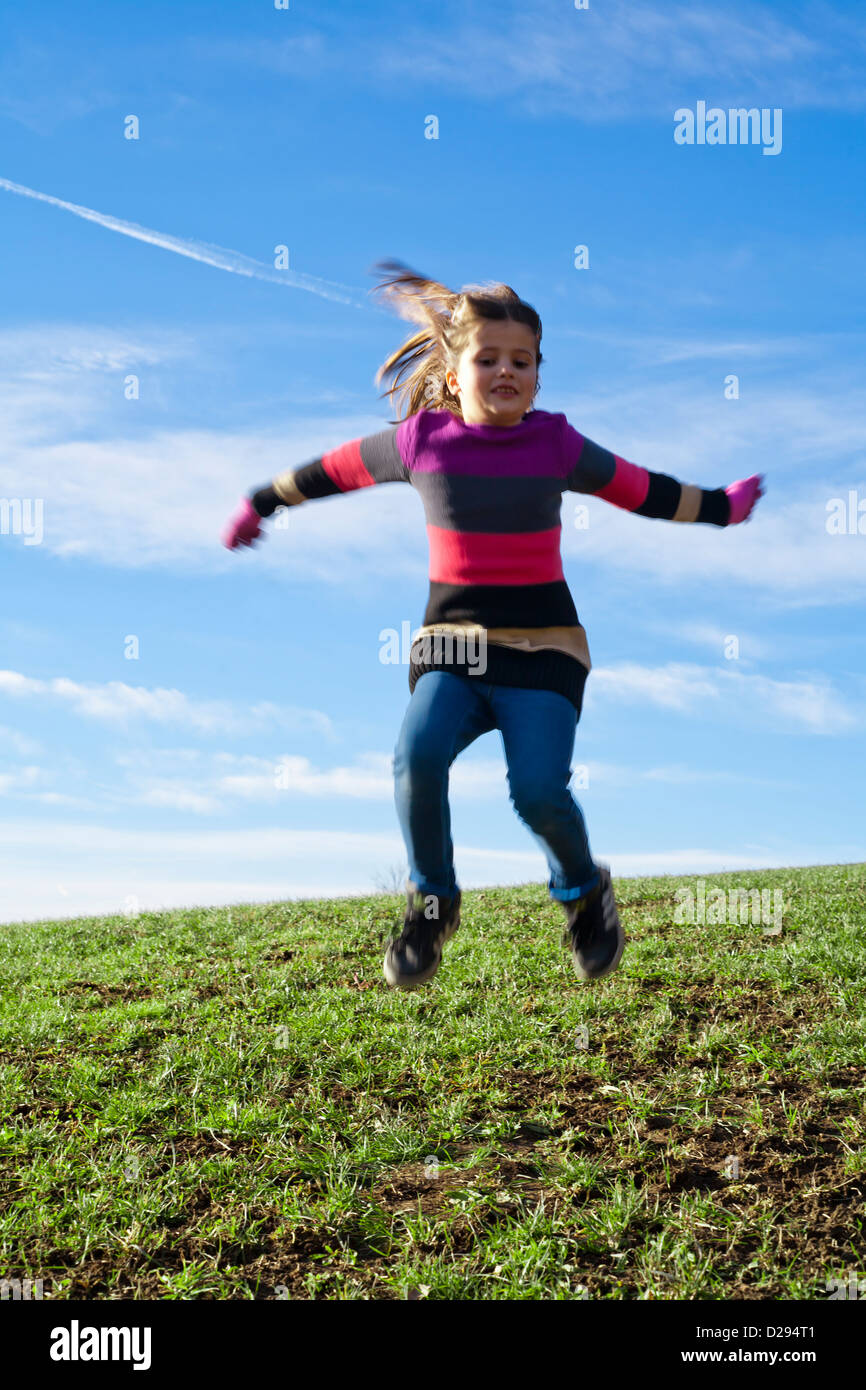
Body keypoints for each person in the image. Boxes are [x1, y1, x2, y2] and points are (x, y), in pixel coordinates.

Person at [222, 260, 764, 993]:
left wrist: (720, 508)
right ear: (453, 374)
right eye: (489, 359)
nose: (506, 372)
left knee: (538, 791)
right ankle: (431, 905)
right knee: (416, 759)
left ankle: (583, 893)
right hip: (450, 646)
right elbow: (327, 471)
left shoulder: (558, 445)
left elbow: (643, 490)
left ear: (539, 376)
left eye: (523, 362)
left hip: (546, 649)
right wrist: (261, 502)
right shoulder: (420, 443)